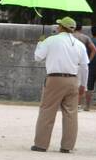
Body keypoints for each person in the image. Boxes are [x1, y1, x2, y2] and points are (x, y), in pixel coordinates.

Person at [32, 16, 90, 153]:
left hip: (54, 79)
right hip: (72, 79)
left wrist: (40, 43)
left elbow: (38, 57)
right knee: (71, 114)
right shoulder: (79, 44)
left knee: (47, 111)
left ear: (61, 27)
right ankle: (67, 146)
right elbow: (85, 67)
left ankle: (41, 144)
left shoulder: (51, 40)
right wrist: (83, 85)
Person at [72, 22, 96, 112]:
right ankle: (78, 104)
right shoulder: (85, 37)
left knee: (73, 84)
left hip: (72, 62)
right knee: (82, 85)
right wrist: (89, 60)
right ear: (81, 29)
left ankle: (72, 103)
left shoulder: (70, 37)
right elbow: (94, 49)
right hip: (82, 63)